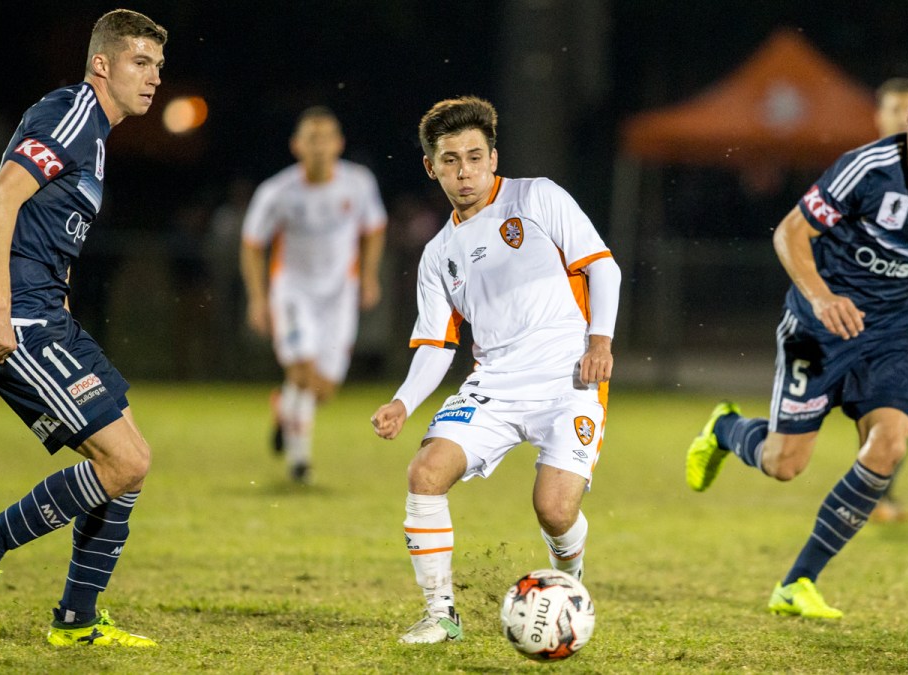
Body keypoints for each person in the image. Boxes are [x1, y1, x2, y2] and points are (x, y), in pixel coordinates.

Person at [685, 70, 908, 619]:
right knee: (784, 464)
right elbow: (789, 233)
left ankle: (797, 582)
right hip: (817, 331)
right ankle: (726, 429)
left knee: (888, 446)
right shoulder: (867, 169)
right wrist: (823, 297)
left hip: (892, 336)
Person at [0, 9, 166, 646]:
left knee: (128, 464)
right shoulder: (72, 114)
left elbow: (39, 225)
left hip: (48, 317)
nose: (152, 78)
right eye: (139, 62)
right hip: (15, 322)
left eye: (157, 67)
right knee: (125, 461)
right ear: (102, 64)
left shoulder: (94, 133)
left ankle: (77, 620)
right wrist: (5, 312)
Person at [370, 96, 622, 644]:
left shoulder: (537, 196)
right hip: (495, 386)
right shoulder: (438, 255)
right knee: (425, 473)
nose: (465, 171)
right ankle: (441, 615)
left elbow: (603, 267)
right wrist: (402, 402)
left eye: (475, 156)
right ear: (430, 167)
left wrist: (599, 340)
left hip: (569, 378)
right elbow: (437, 345)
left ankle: (569, 590)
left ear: (493, 156)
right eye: (451, 160)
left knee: (555, 511)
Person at [241, 107, 386, 484]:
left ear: (339, 144)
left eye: (326, 139)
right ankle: (299, 463)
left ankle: (282, 407)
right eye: (312, 139)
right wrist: (258, 298)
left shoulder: (358, 183)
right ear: (297, 146)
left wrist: (369, 276)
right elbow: (253, 244)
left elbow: (374, 228)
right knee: (303, 374)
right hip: (294, 292)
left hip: (339, 295)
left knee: (324, 387)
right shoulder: (277, 192)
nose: (319, 147)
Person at [869, 76, 908, 524]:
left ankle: (876, 498)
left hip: (907, 316)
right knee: (788, 449)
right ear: (879, 116)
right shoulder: (860, 172)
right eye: (897, 110)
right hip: (852, 314)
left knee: (896, 409)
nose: (905, 119)